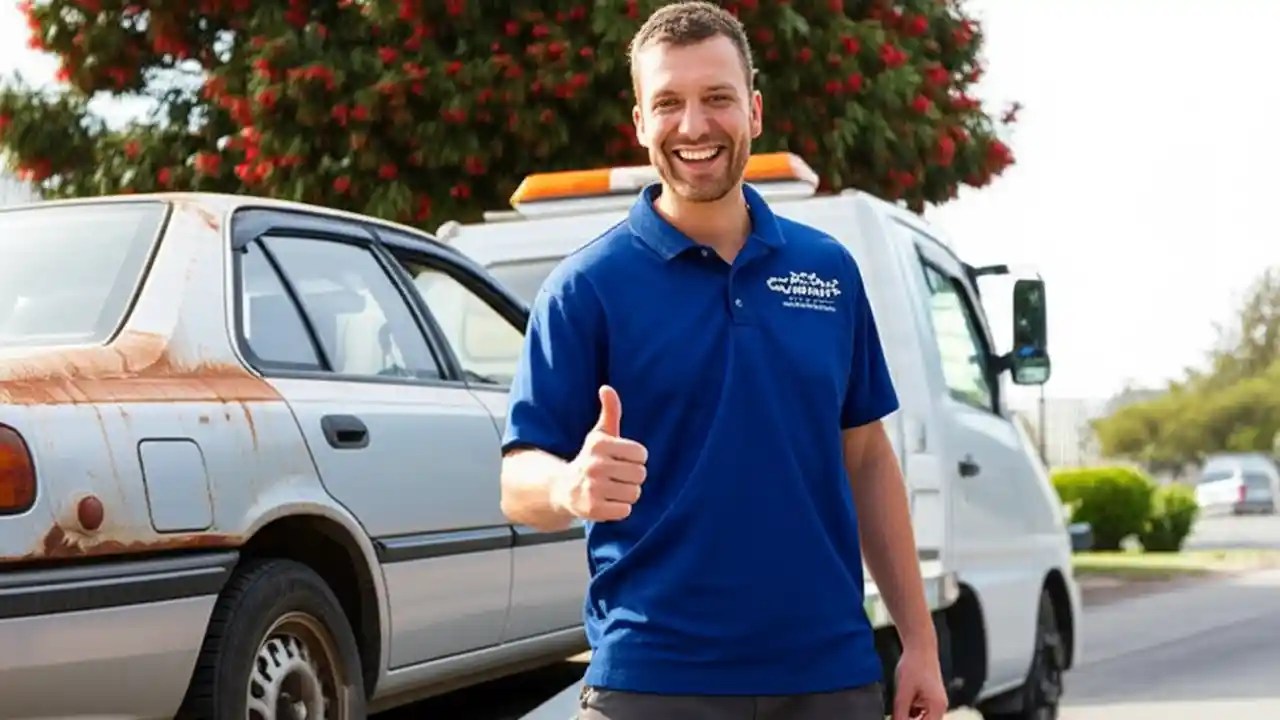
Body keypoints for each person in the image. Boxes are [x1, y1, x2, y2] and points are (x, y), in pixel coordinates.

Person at [498, 2, 948, 718]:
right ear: (640, 122)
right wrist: (569, 487)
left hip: (829, 672)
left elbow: (865, 457)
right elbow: (518, 478)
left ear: (755, 110)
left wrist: (919, 644)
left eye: (717, 99)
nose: (694, 126)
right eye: (668, 103)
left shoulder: (828, 271)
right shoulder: (585, 288)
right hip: (653, 680)